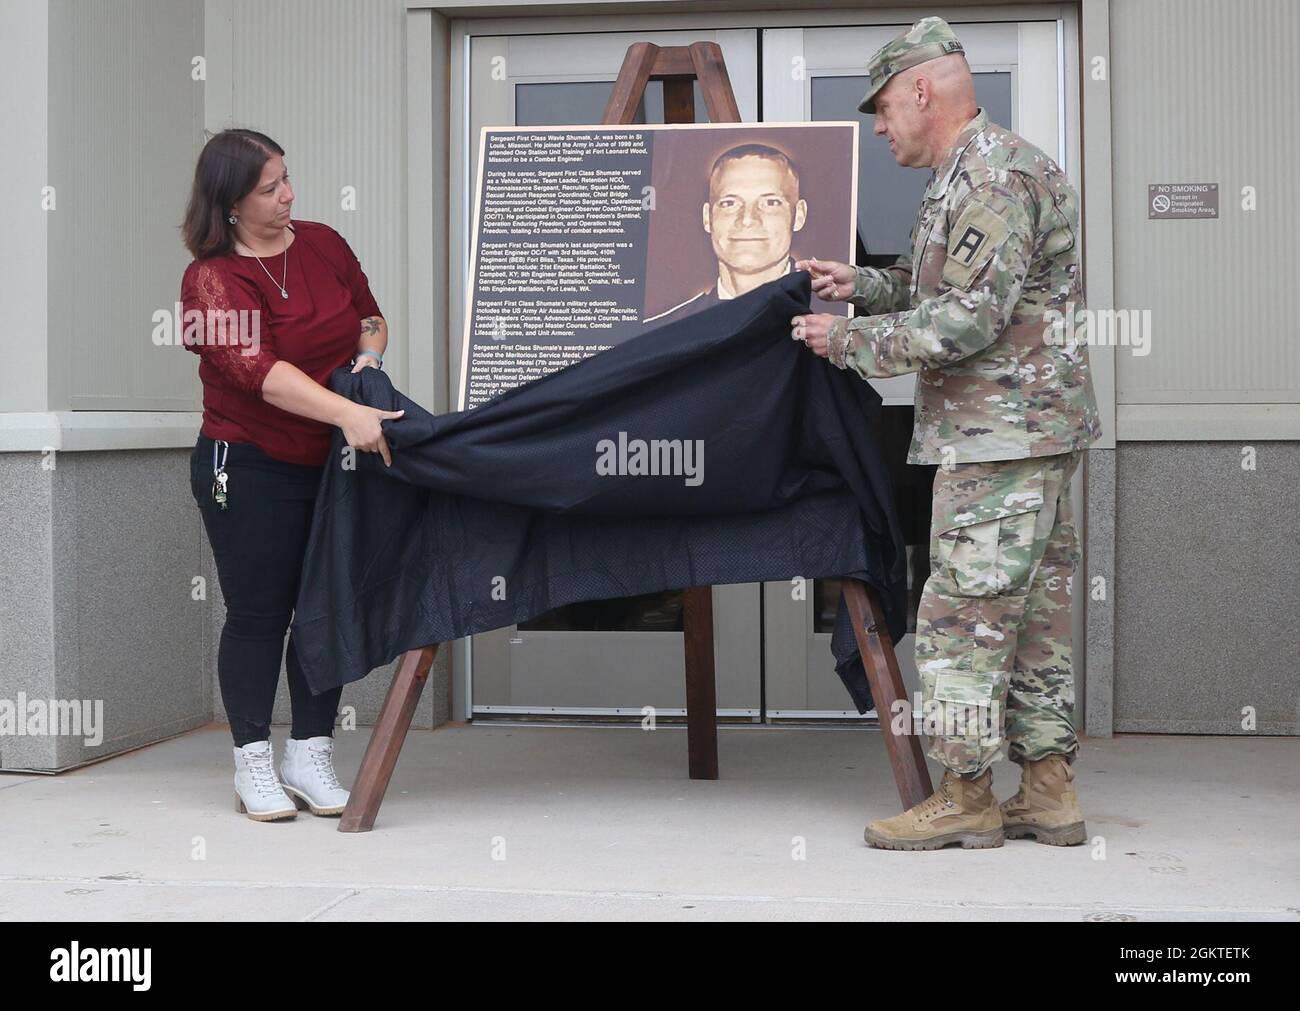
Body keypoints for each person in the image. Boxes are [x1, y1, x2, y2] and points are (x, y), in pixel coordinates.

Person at [790, 17, 1102, 851]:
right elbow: (944, 292)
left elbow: (968, 320)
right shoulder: (976, 174)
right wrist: (865, 285)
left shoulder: (993, 181)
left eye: (883, 108)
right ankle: (1048, 790)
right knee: (1029, 615)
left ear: (922, 90)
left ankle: (966, 793)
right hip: (1021, 433)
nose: (879, 127)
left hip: (999, 437)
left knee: (962, 615)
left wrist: (845, 340)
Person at [179, 128, 404, 822]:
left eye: (286, 178)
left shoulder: (324, 243)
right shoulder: (212, 279)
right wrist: (348, 413)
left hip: (328, 461)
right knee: (258, 611)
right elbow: (261, 375)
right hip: (247, 462)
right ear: (231, 203)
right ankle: (252, 761)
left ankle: (309, 754)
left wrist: (367, 357)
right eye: (270, 188)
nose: (288, 195)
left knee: (322, 604)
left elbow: (369, 313)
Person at [643, 143, 807, 325]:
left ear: (799, 215)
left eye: (770, 203)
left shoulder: (834, 323)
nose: (747, 219)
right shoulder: (664, 332)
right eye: (729, 203)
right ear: (707, 218)